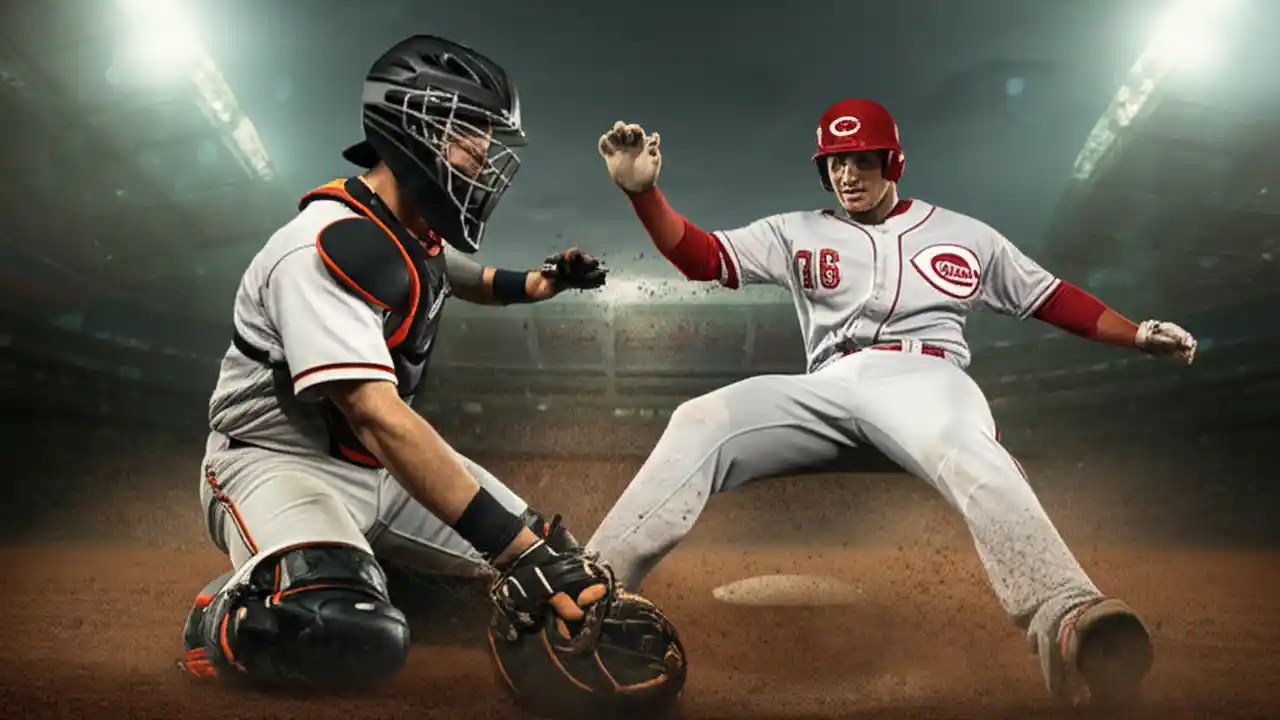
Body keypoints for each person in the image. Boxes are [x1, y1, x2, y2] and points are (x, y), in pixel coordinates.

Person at [587, 99, 1198, 707]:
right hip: (828, 383)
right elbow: (702, 258)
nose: (847, 175)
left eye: (862, 160)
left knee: (969, 450)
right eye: (834, 162)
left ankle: (1070, 619)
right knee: (699, 419)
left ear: (893, 160)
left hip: (926, 376)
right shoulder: (794, 230)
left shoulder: (965, 234)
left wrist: (1137, 332)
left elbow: (1049, 297)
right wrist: (644, 194)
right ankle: (580, 595)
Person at [178, 34, 615, 692]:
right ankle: (230, 611)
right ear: (410, 123)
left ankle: (379, 578)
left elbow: (458, 275)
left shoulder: (410, 231)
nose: (486, 152)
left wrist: (543, 281)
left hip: (381, 466)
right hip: (277, 463)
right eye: (470, 130)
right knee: (341, 628)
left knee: (561, 572)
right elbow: (377, 415)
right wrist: (514, 550)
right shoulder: (319, 248)